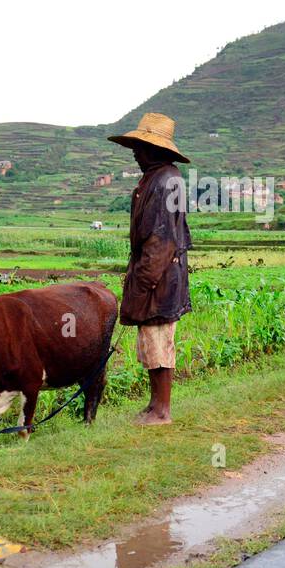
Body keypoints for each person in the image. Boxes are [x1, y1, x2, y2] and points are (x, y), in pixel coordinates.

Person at [108, 112, 192, 425]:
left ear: (155, 150)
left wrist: (142, 281)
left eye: (140, 147)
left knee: (159, 340)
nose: (135, 152)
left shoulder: (165, 180)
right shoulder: (157, 178)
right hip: (156, 274)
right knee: (150, 341)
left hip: (160, 277)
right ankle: (154, 404)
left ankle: (162, 410)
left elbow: (161, 240)